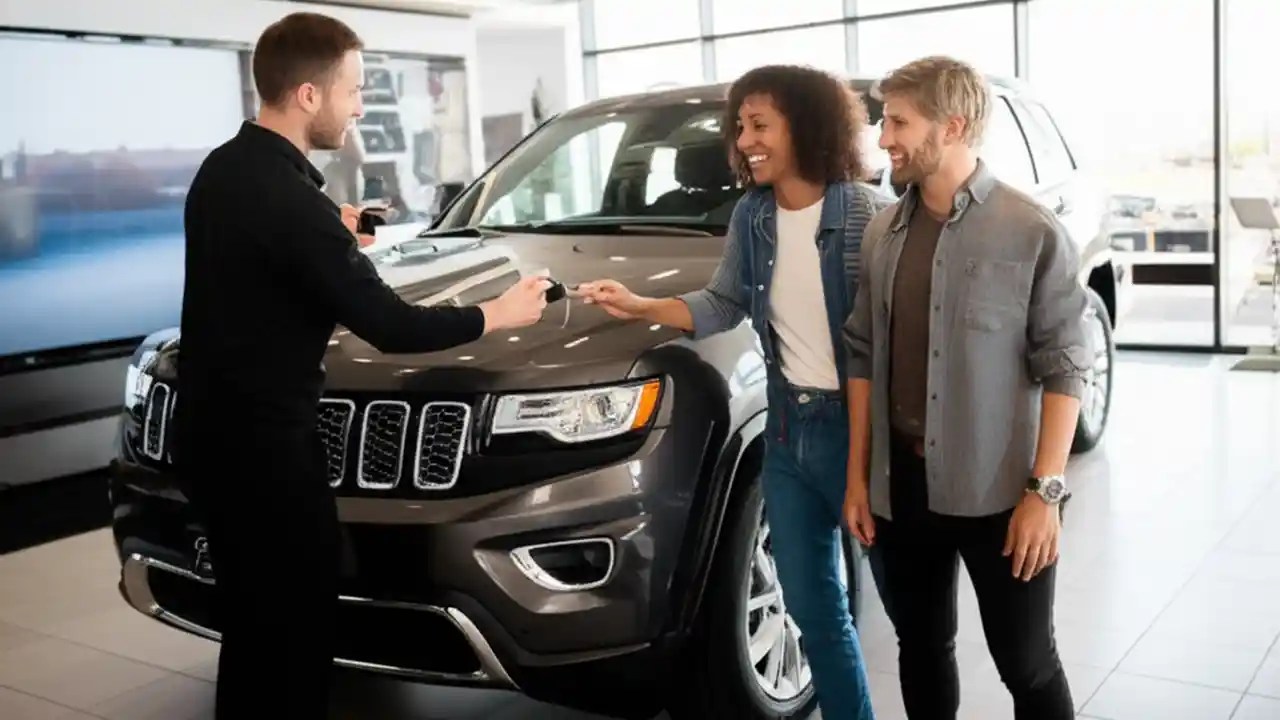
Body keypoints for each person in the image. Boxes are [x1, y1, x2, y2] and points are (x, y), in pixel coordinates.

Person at [174, 12, 550, 719]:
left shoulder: (223, 171)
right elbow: (390, 325)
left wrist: (329, 239)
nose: (360, 106)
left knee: (252, 630)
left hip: (213, 445)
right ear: (310, 95)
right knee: (295, 636)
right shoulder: (294, 204)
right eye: (354, 89)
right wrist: (496, 313)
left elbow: (258, 273)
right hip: (268, 460)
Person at [577, 64, 884, 720]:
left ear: (806, 126)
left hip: (860, 433)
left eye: (759, 124)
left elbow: (888, 340)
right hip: (786, 432)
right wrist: (638, 305)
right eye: (739, 126)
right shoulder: (754, 215)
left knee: (904, 610)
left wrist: (866, 464)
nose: (743, 139)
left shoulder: (863, 213)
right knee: (812, 609)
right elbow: (722, 305)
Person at [842, 55, 1090, 720]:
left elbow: (1067, 365)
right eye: (882, 120)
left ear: (951, 127)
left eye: (898, 121)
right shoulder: (881, 232)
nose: (883, 137)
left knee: (1027, 665)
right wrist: (860, 480)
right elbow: (862, 354)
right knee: (920, 648)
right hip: (904, 493)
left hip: (1002, 497)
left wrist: (1045, 493)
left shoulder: (1030, 230)